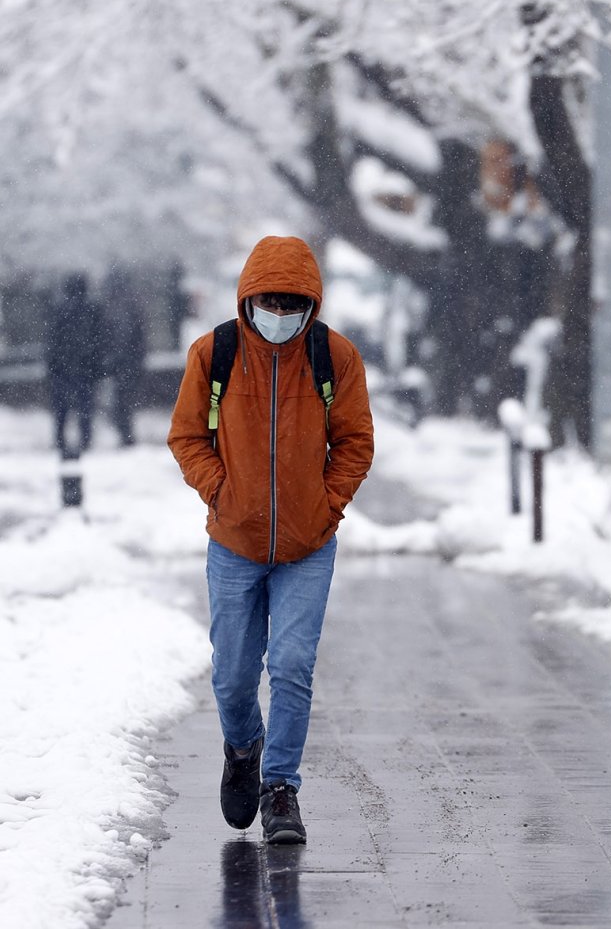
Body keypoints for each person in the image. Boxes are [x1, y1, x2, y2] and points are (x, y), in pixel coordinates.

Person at [168, 236, 374, 845]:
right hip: (234, 542)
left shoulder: (334, 358)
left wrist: (326, 505)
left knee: (290, 666)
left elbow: (355, 442)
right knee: (232, 674)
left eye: (293, 303)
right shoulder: (217, 353)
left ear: (312, 303)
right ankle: (242, 746)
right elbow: (187, 437)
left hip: (308, 547)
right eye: (270, 301)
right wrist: (222, 493)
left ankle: (281, 787)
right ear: (248, 298)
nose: (280, 313)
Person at [45, 272, 106, 452]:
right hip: (85, 366)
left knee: (61, 409)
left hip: (62, 367)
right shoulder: (93, 309)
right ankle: (85, 440)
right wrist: (97, 364)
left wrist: (53, 364)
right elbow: (100, 339)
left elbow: (52, 340)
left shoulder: (59, 309)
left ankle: (60, 440)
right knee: (85, 407)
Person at [102, 268, 149, 447]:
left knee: (120, 398)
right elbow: (139, 336)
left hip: (118, 360)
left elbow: (105, 335)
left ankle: (124, 430)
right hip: (128, 360)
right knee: (125, 398)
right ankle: (125, 432)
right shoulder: (132, 305)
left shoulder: (109, 306)